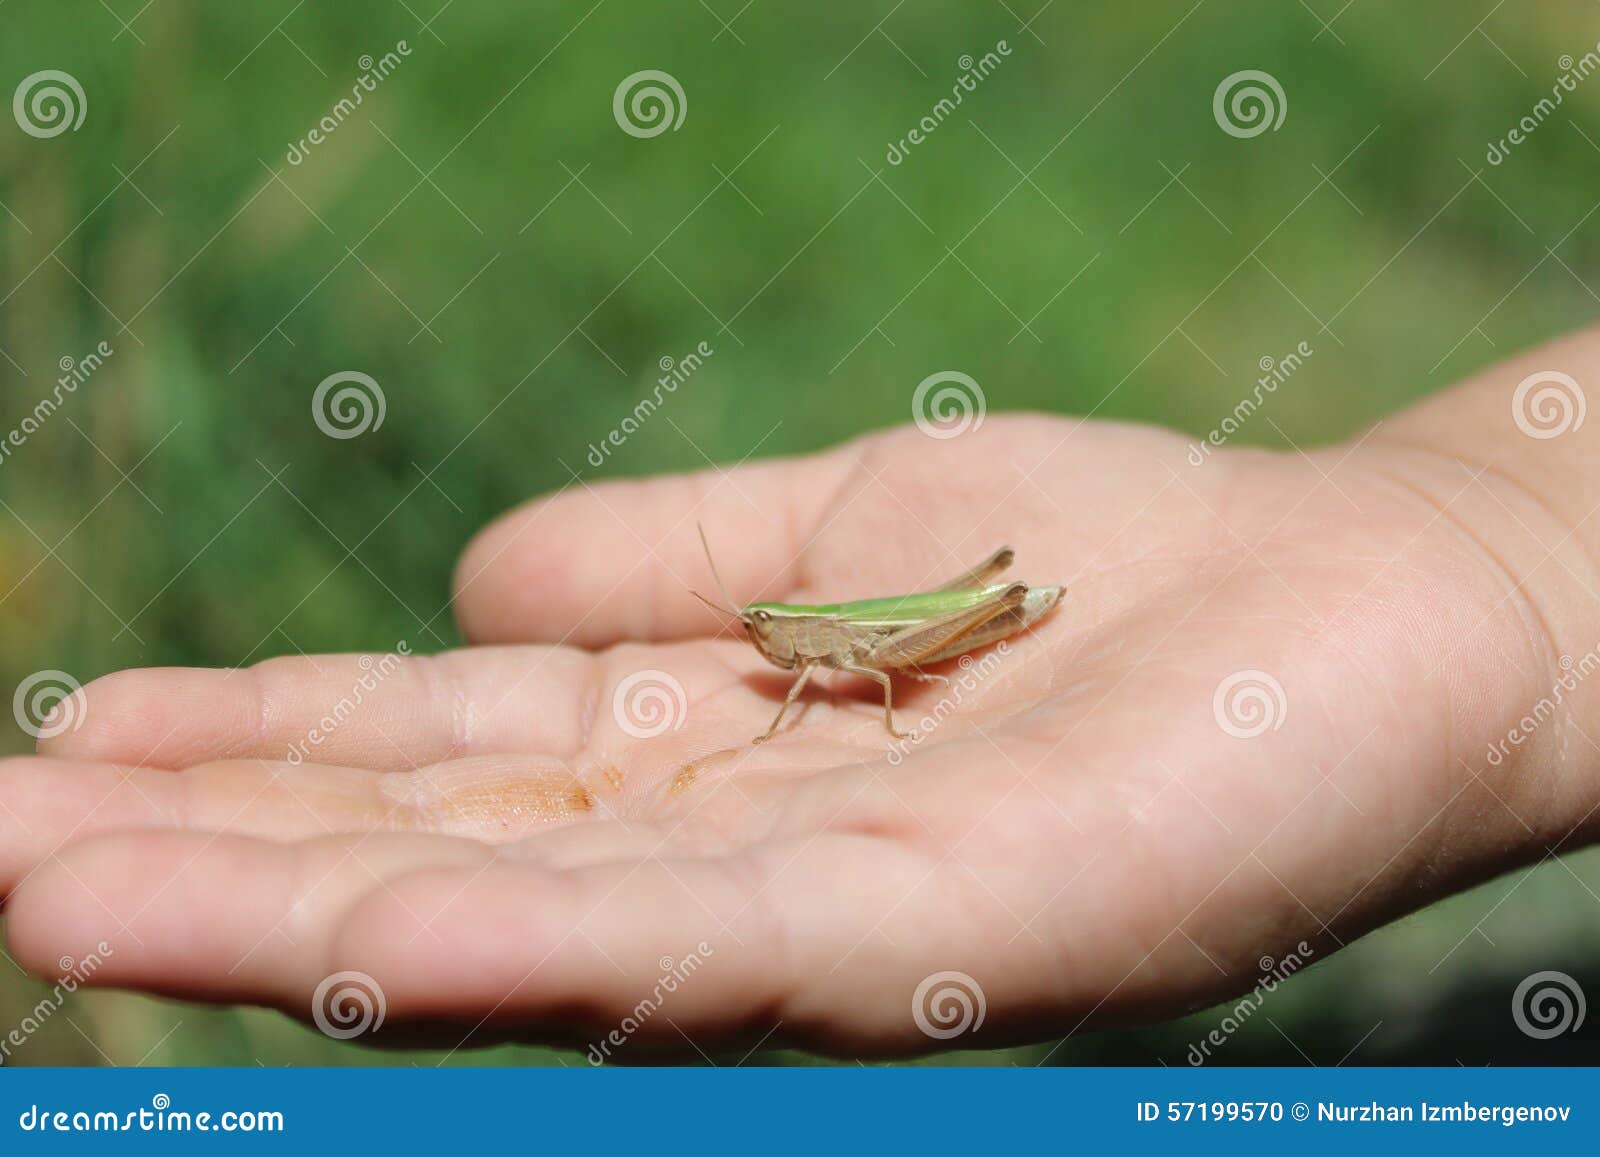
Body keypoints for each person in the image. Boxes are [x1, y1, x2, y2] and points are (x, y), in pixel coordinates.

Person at [4, 326, 1598, 1058]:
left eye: (770, 628)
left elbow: (852, 667)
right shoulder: (786, 646)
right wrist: (1512, 537)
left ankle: (1007, 607)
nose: (767, 643)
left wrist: (1518, 554)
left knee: (975, 606)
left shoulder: (829, 649)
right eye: (765, 631)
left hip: (941, 619)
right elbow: (794, 666)